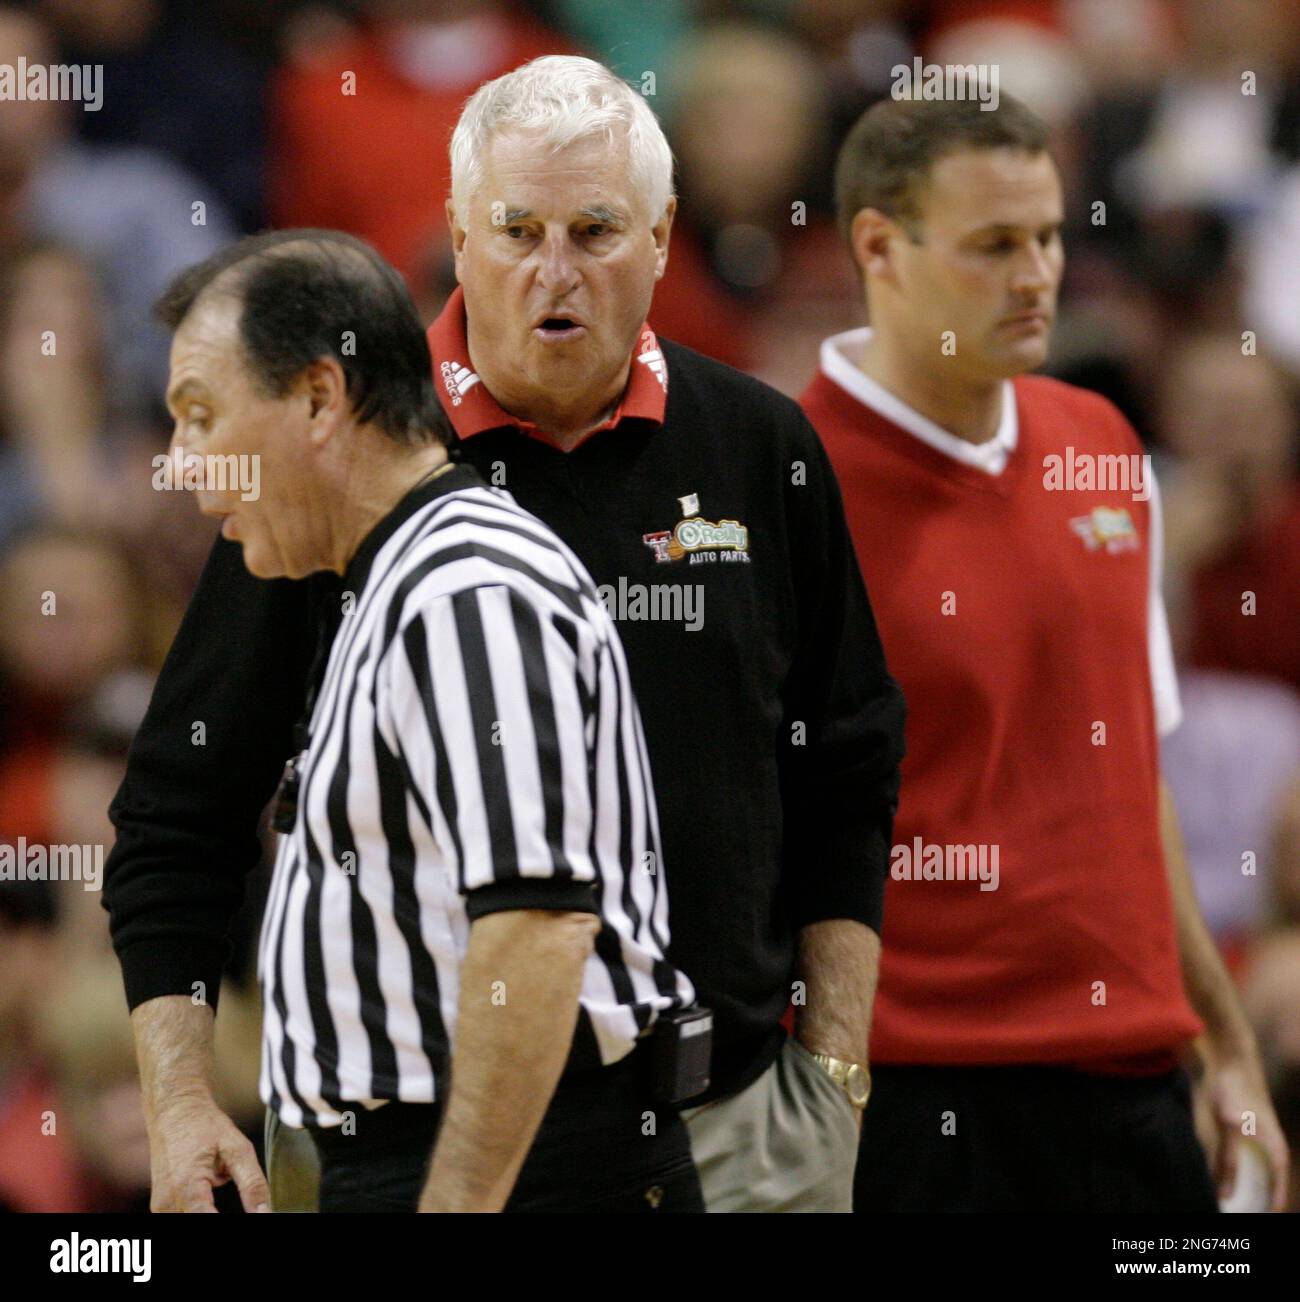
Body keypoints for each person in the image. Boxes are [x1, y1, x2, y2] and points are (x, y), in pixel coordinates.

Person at [104, 55, 906, 1213]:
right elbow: (180, 811)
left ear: (664, 236)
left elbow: (850, 756)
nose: (554, 273)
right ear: (457, 233)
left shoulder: (758, 444)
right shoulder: (335, 463)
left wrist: (830, 1069)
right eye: (518, 230)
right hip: (394, 1138)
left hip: (724, 1120)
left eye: (594, 231)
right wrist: (179, 1105)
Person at [135, 227, 704, 1213]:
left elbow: (535, 925)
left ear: (319, 397)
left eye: (199, 416)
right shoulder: (393, 577)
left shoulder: (461, 593)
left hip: (514, 1170)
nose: (180, 465)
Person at [800, 92, 1290, 1213]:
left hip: (1133, 1093)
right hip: (915, 1109)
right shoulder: (789, 481)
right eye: (993, 245)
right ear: (878, 246)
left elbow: (1130, 781)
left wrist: (1222, 1043)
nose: (1037, 275)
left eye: (1049, 236)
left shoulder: (1103, 444)